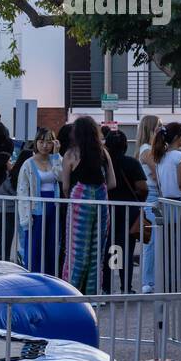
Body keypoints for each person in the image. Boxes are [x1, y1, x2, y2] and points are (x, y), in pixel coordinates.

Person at [61, 116, 116, 294]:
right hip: (100, 201)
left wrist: (68, 198)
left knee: (76, 252)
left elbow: (66, 185)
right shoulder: (103, 152)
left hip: (79, 202)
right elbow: (112, 182)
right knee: (96, 253)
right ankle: (92, 295)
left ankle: (71, 293)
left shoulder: (71, 154)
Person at [103, 129, 147, 293]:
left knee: (108, 249)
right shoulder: (132, 163)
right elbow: (142, 187)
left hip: (107, 211)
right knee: (126, 250)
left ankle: (106, 287)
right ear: (125, 146)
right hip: (129, 212)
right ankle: (126, 287)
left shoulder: (103, 163)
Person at [15, 128, 62, 273]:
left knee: (52, 246)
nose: (45, 146)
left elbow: (60, 177)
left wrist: (56, 156)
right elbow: (22, 191)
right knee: (34, 247)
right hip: (35, 210)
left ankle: (51, 278)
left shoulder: (57, 159)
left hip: (53, 209)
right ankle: (33, 277)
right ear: (36, 143)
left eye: (49, 142)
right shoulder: (28, 164)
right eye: (41, 142)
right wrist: (25, 217)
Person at [135, 115, 162, 293]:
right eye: (159, 126)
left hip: (154, 195)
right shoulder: (146, 149)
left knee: (154, 239)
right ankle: (148, 281)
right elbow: (157, 171)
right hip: (152, 195)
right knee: (151, 239)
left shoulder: (147, 149)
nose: (162, 128)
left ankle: (152, 279)